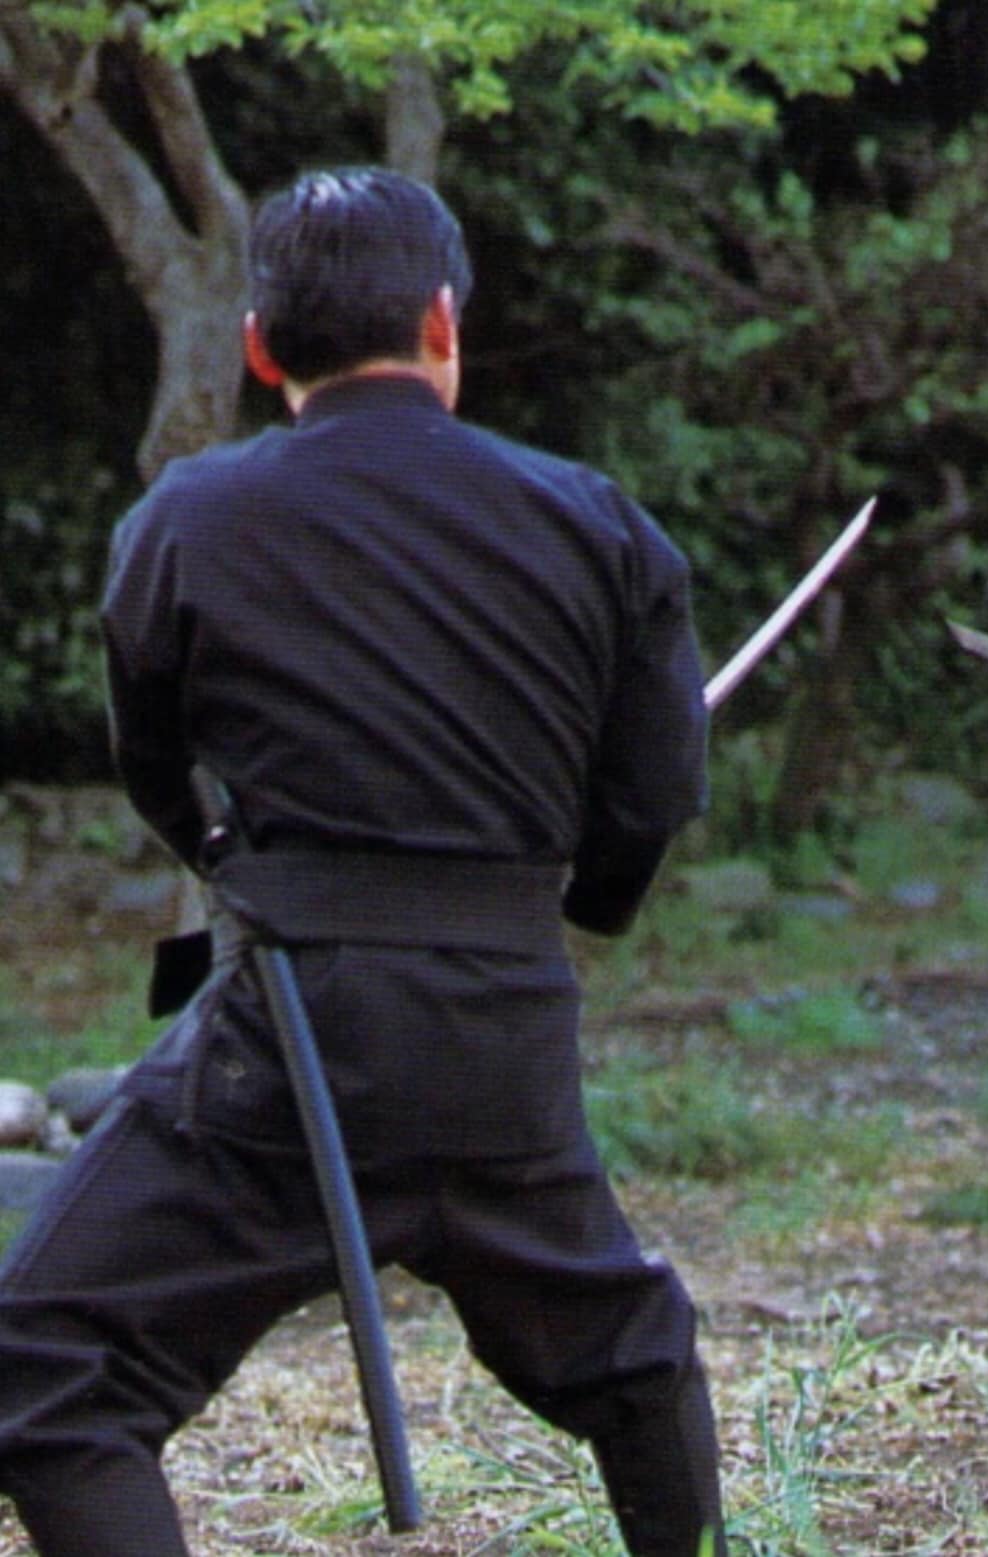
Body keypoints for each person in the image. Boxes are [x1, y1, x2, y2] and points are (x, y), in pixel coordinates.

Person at [0, 167, 727, 1557]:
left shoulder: (187, 519)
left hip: (292, 1040)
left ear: (259, 347)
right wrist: (574, 899)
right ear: (443, 322)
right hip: (502, 1032)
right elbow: (652, 792)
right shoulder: (595, 522)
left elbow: (160, 771)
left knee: (45, 1368)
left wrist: (249, 871)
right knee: (630, 1353)